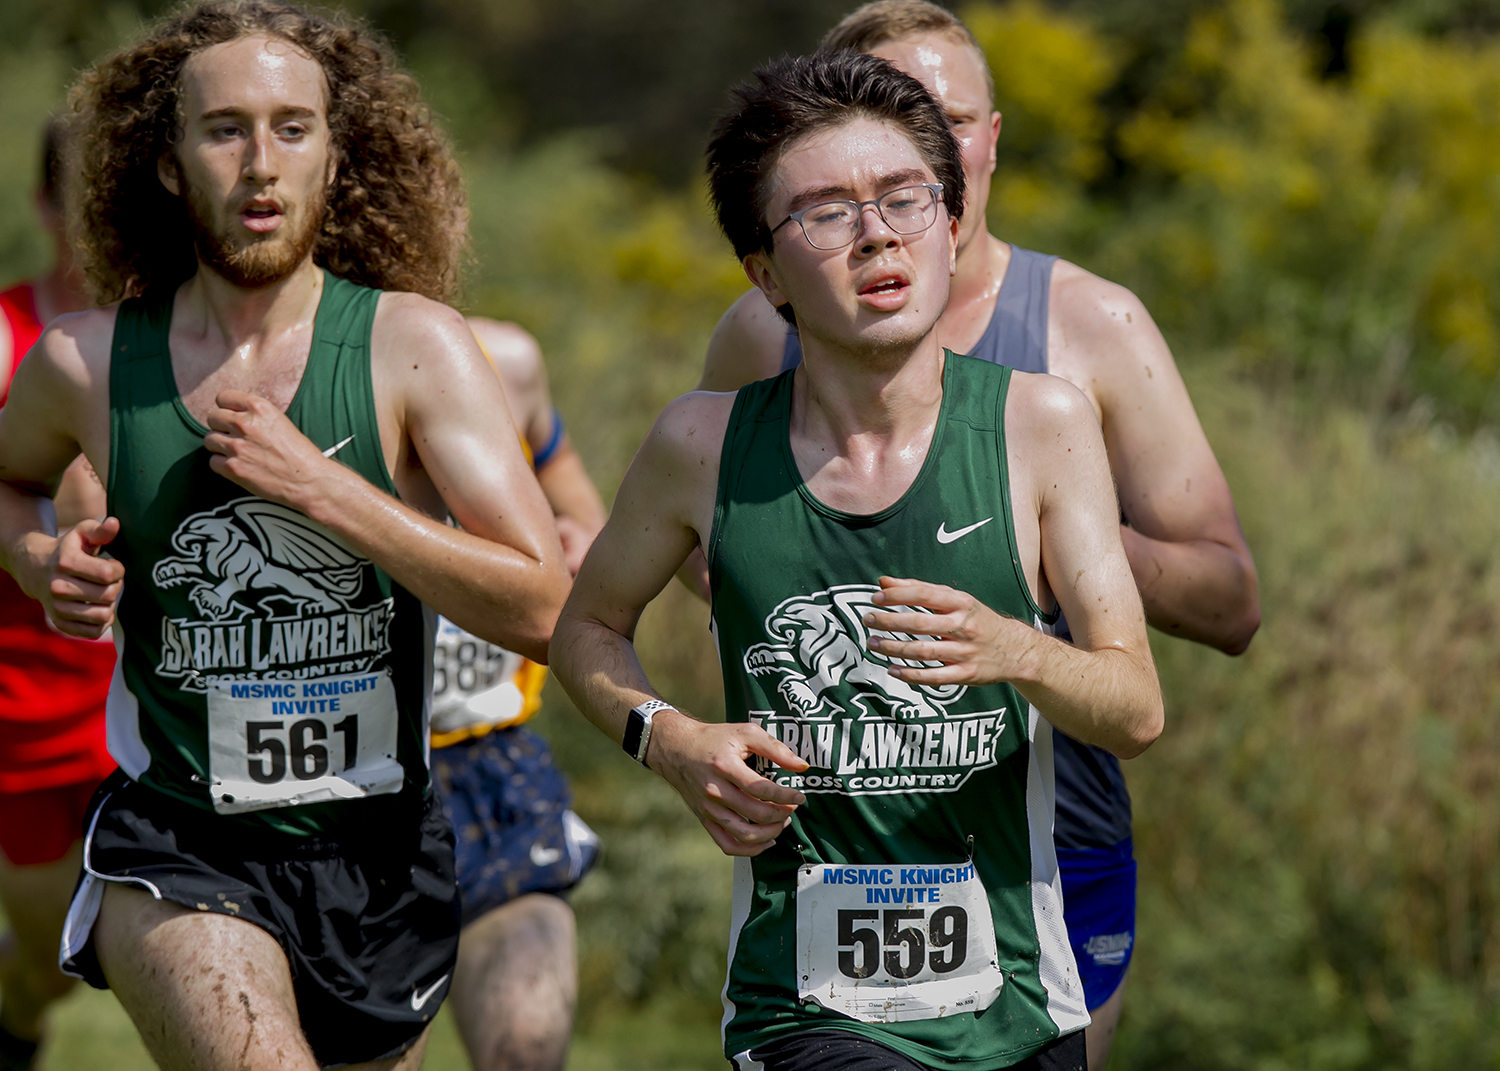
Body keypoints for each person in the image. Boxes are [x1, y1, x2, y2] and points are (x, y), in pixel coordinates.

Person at [551, 49, 1164, 1071]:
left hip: (1020, 998)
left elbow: (1136, 708)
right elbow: (585, 626)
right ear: (764, 272)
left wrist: (1018, 651)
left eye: (904, 200)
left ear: (951, 221)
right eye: (827, 213)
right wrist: (668, 740)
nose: (876, 232)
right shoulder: (700, 446)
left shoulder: (1040, 424)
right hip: (808, 1010)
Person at [0, 3, 571, 1068]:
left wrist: (327, 490)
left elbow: (545, 610)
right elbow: (6, 480)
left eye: (293, 127)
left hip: (380, 858)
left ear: (335, 153)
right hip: (180, 845)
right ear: (168, 164)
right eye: (224, 129)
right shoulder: (83, 364)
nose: (261, 163)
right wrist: (38, 559)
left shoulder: (415, 349)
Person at [694, 4, 1262, 1065]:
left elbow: (1231, 600)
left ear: (990, 136)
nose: (928, 151)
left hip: (1049, 818)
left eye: (948, 118)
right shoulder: (759, 331)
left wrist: (1026, 528)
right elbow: (708, 554)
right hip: (844, 813)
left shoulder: (1090, 325)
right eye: (896, 124)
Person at [433, 316, 606, 1071]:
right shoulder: (256, 366)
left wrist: (581, 541)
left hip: (485, 759)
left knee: (526, 1051)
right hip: (329, 776)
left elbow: (592, 524)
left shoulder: (504, 361)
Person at [0, 120, 118, 1071]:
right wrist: (36, 555)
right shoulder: (3, 334)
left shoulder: (190, 333)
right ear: (46, 210)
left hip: (165, 701)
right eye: (82, 195)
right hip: (26, 714)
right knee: (49, 963)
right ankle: (14, 1006)